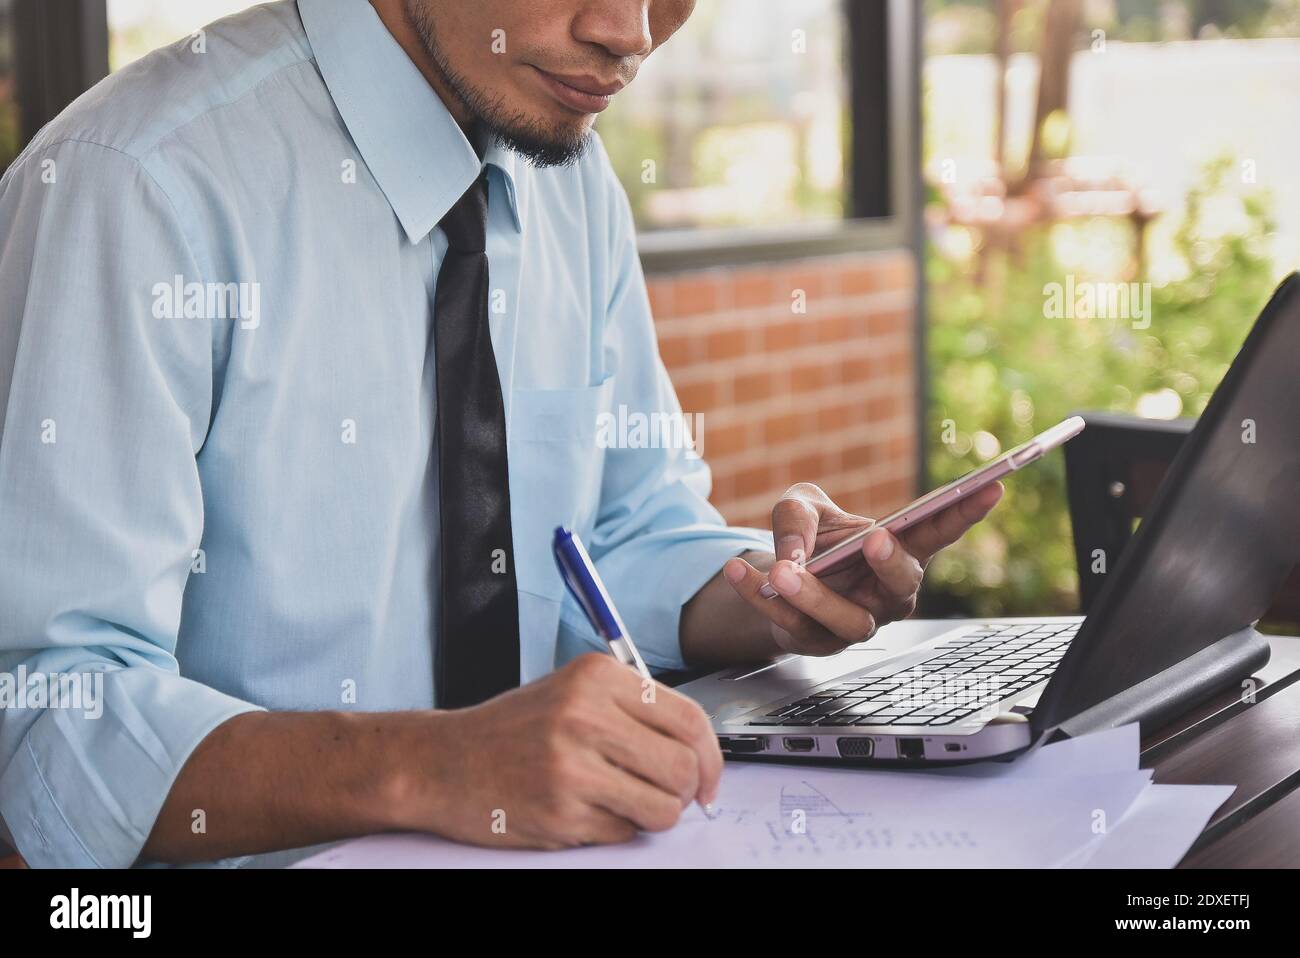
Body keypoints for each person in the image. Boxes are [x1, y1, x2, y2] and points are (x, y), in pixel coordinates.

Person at [0, 0, 1001, 867]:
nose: (631, 33)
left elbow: (625, 527)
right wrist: (436, 763)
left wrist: (769, 593)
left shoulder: (566, 170)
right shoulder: (136, 188)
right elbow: (53, 714)